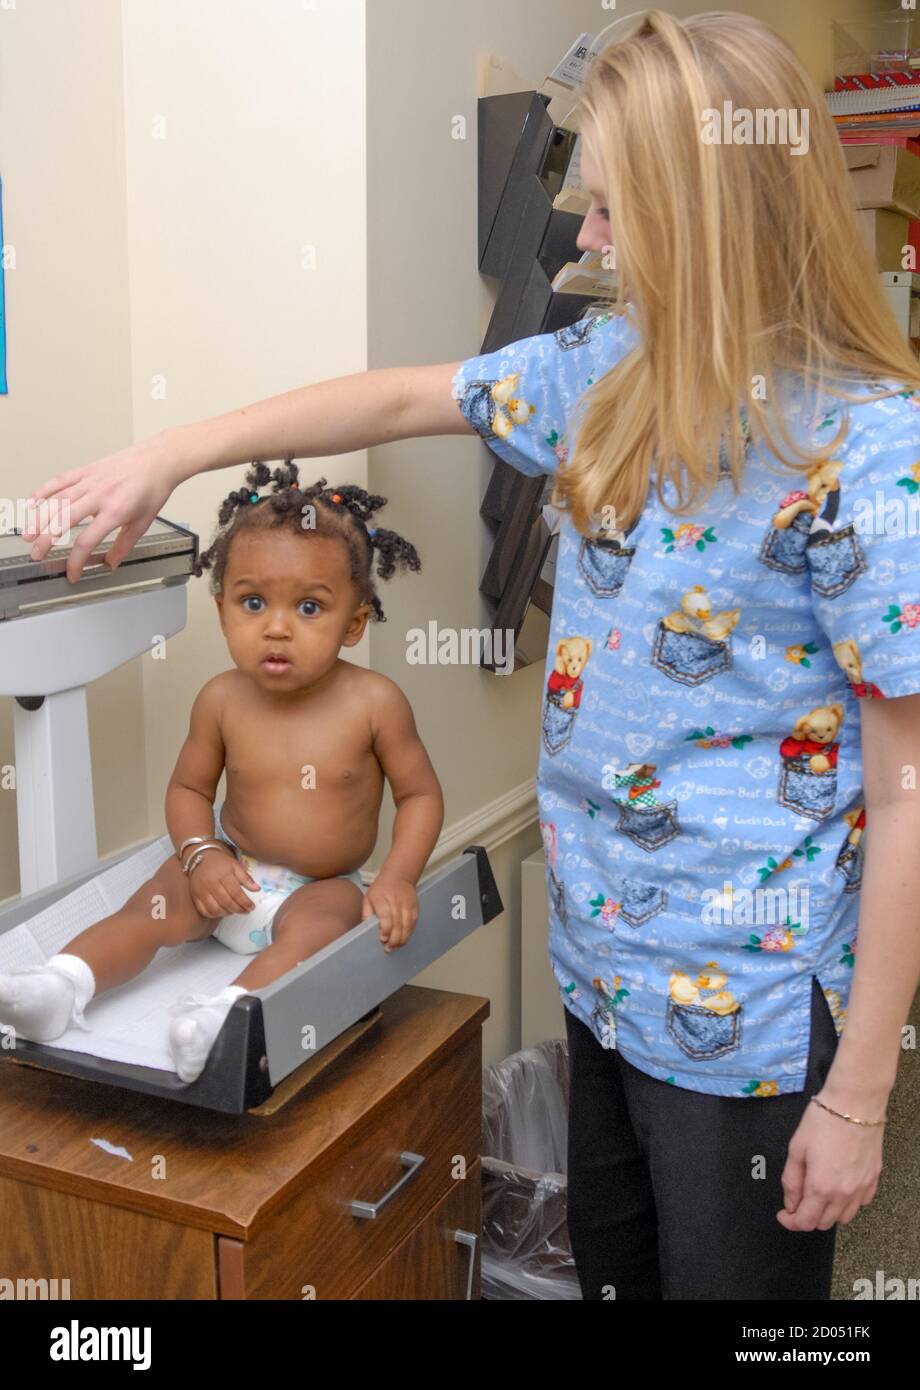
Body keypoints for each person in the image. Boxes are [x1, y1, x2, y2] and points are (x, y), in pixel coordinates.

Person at [20, 10, 920, 1297]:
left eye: (610, 209)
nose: (584, 239)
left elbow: (904, 793)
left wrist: (861, 1092)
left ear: (705, 210)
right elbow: (396, 395)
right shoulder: (611, 366)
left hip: (751, 1022)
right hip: (602, 974)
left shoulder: (866, 448)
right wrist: (167, 452)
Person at [2, 466, 444, 1083]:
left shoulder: (375, 703)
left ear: (354, 622)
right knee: (151, 909)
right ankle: (62, 986)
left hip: (318, 887)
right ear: (222, 609)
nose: (277, 626)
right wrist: (200, 854)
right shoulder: (221, 699)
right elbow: (188, 789)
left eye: (309, 606)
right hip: (228, 868)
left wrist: (397, 877)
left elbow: (420, 794)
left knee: (321, 928)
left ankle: (219, 1018)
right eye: (253, 602)